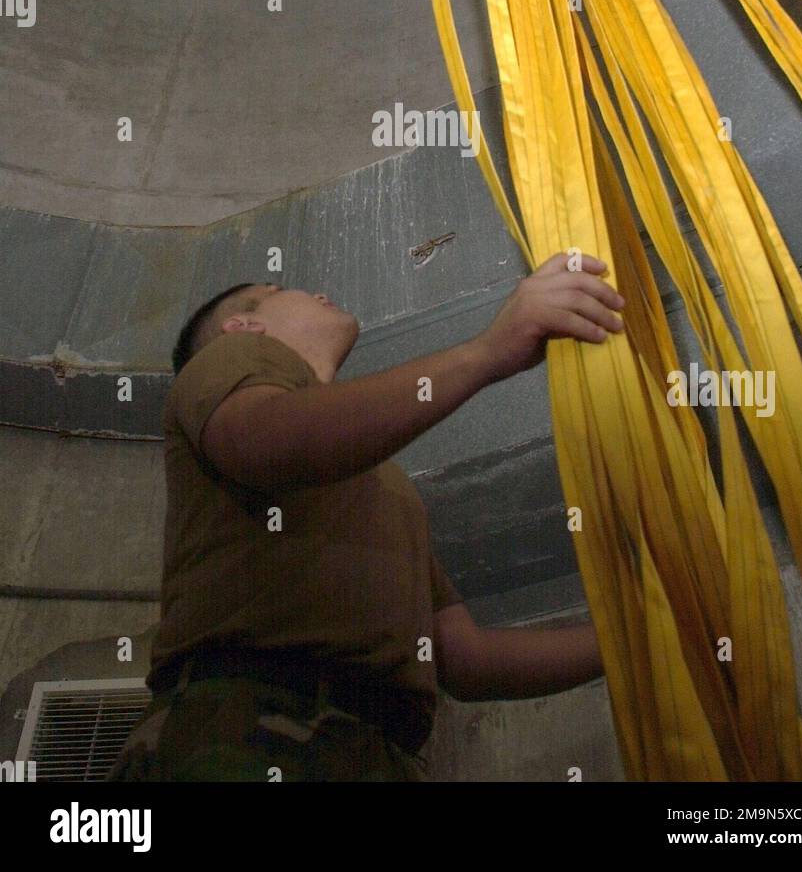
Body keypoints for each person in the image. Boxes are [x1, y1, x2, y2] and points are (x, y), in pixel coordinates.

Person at [108, 250, 626, 782]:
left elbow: (465, 660)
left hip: (379, 753)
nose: (317, 292)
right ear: (244, 326)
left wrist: (635, 642)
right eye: (279, 287)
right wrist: (489, 352)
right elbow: (269, 437)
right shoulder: (226, 359)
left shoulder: (383, 483)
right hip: (242, 732)